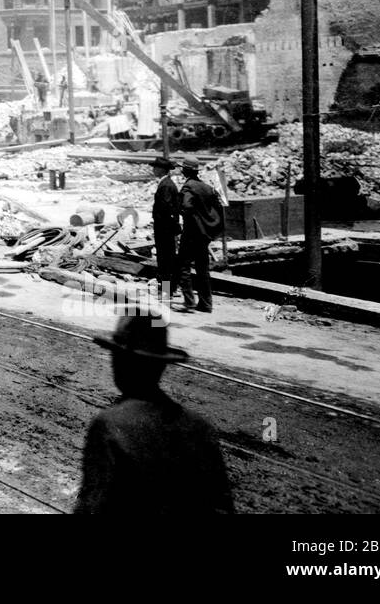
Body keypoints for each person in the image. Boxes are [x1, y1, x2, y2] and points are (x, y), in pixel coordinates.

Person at [75, 314, 233, 515]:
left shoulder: (110, 425)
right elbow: (221, 506)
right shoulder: (199, 426)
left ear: (120, 362)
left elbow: (93, 505)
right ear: (162, 365)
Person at [179, 158, 222, 313]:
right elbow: (217, 208)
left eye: (183, 168)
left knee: (182, 266)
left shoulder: (188, 187)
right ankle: (206, 303)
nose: (181, 170)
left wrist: (183, 213)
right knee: (202, 269)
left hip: (191, 234)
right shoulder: (207, 187)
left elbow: (186, 206)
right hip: (204, 235)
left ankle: (189, 302)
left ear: (187, 171)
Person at [150, 157, 181, 303]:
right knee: (166, 258)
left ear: (161, 169)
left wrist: (163, 225)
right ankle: (169, 289)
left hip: (165, 228)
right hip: (166, 227)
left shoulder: (166, 185)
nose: (153, 169)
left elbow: (167, 208)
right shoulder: (166, 183)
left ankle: (167, 291)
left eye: (155, 167)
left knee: (165, 259)